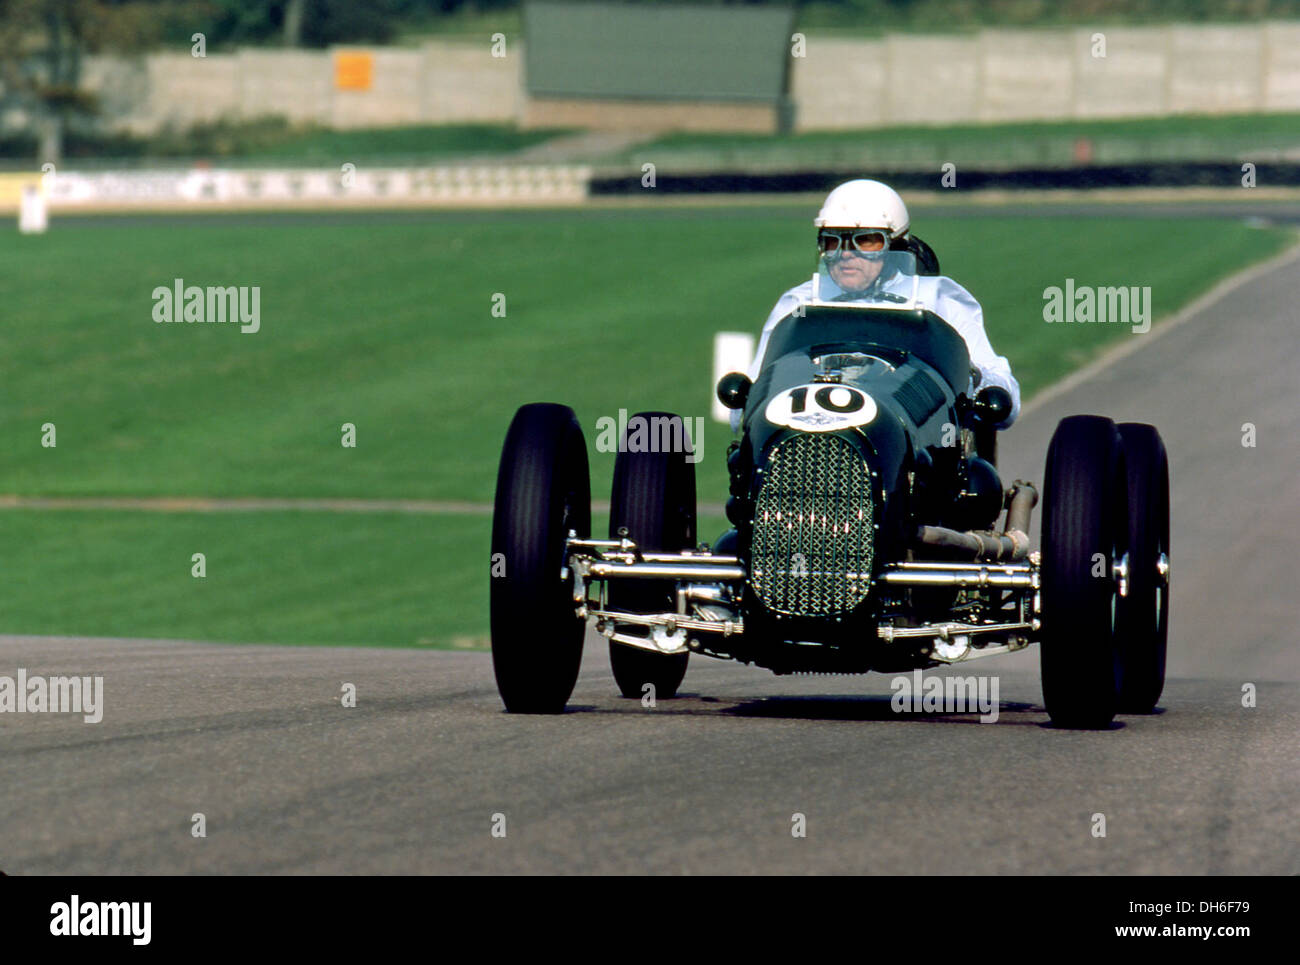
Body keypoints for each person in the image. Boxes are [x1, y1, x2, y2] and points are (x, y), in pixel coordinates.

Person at [733, 179, 1020, 433]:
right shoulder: (799, 302)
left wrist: (980, 381)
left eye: (867, 241)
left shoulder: (939, 299)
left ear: (895, 246)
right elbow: (749, 402)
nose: (847, 254)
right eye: (833, 242)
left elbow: (1004, 398)